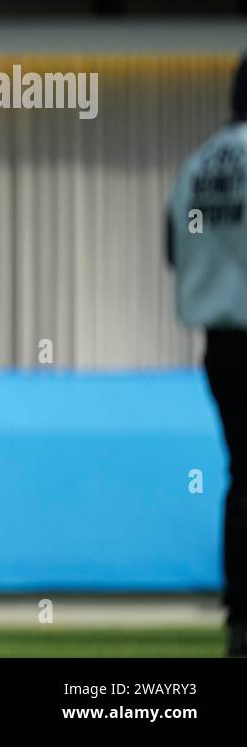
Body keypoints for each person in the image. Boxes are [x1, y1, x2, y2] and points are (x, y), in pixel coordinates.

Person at [168, 56, 247, 657]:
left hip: (221, 345)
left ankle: (239, 618)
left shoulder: (198, 164)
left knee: (240, 478)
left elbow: (175, 248)